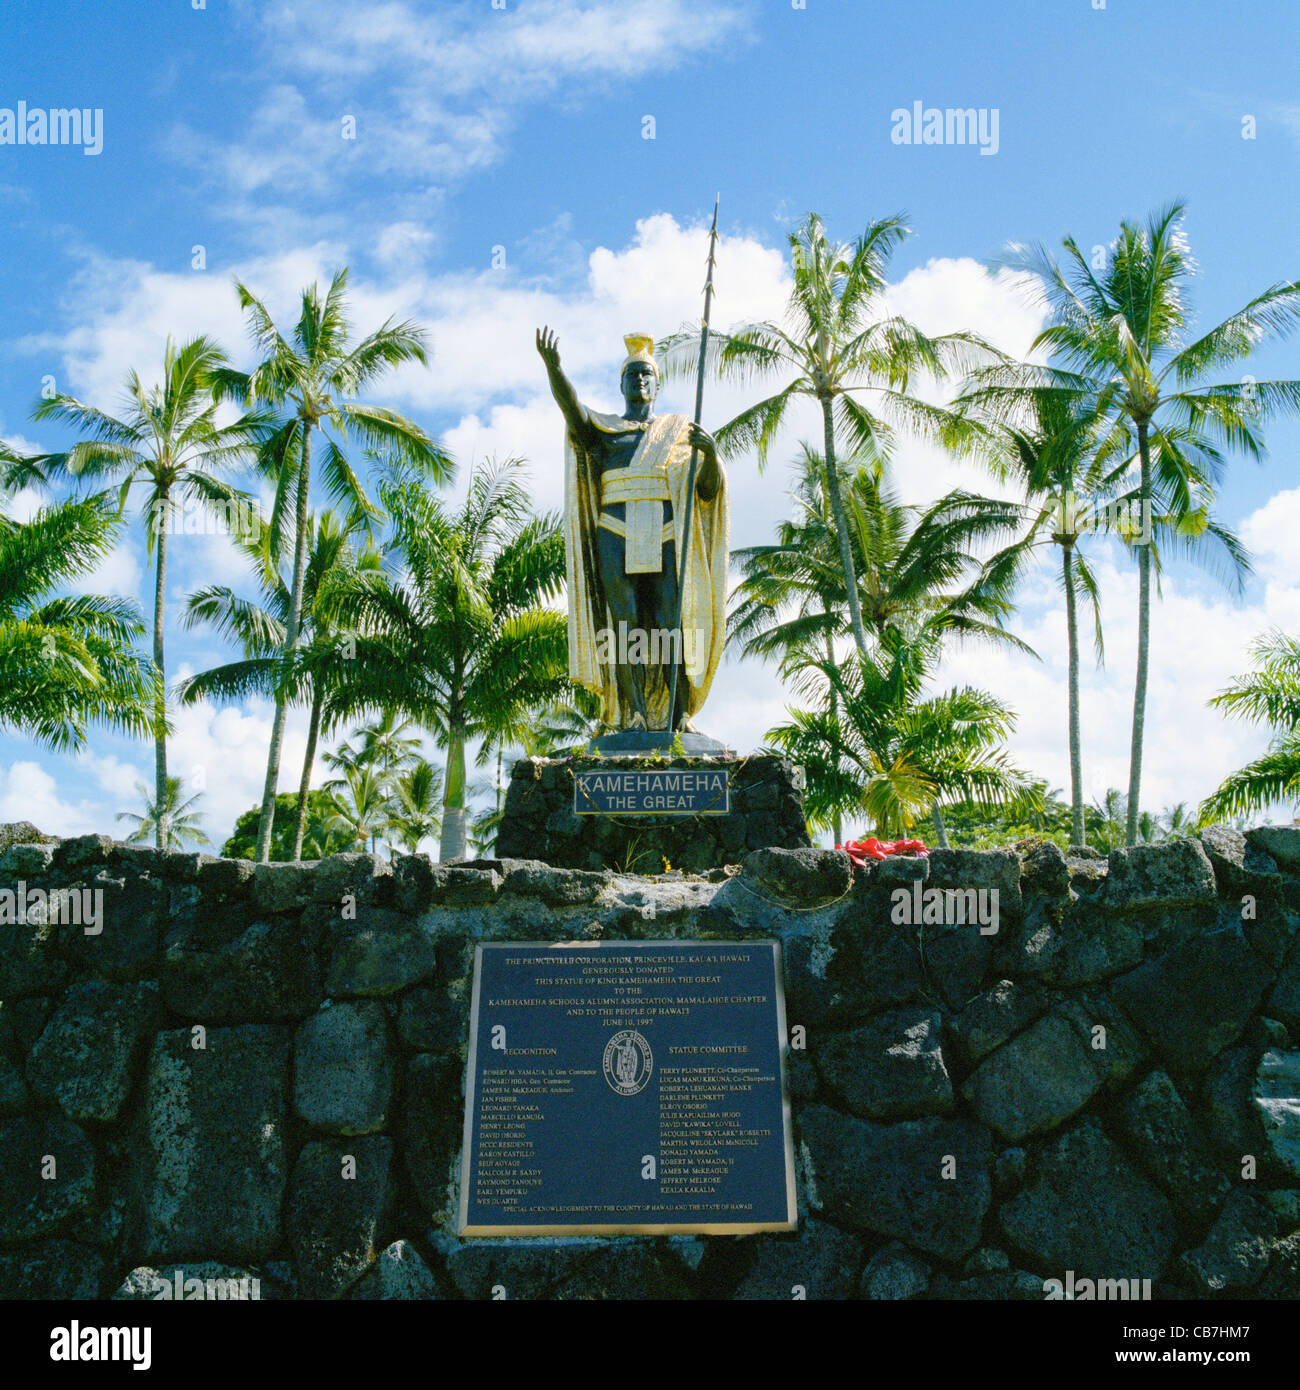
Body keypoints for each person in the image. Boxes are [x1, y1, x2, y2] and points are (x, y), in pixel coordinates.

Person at [536, 326, 729, 733]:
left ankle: (678, 715)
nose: (640, 380)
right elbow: (573, 410)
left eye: (647, 375)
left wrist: (710, 455)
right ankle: (636, 714)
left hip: (665, 533)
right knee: (623, 627)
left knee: (669, 624)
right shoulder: (606, 431)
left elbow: (707, 490)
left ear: (657, 385)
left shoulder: (680, 433)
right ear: (621, 384)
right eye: (632, 375)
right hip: (615, 531)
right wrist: (555, 370)